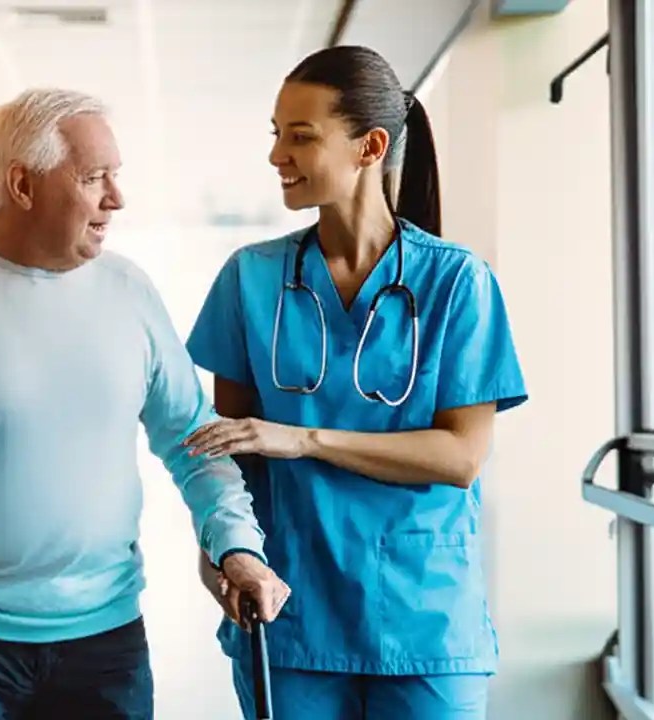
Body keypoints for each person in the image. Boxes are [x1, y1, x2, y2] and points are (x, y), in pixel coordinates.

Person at [0, 87, 290, 719]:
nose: (116, 198)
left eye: (116, 176)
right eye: (94, 177)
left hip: (105, 639)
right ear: (23, 185)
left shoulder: (130, 292)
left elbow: (194, 439)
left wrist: (237, 546)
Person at [184, 46, 527, 720]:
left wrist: (304, 438)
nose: (277, 154)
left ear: (370, 147)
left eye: (300, 136)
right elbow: (231, 457)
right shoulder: (250, 279)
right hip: (291, 608)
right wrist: (220, 553)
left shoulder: (457, 282)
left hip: (424, 617)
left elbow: (461, 456)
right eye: (276, 134)